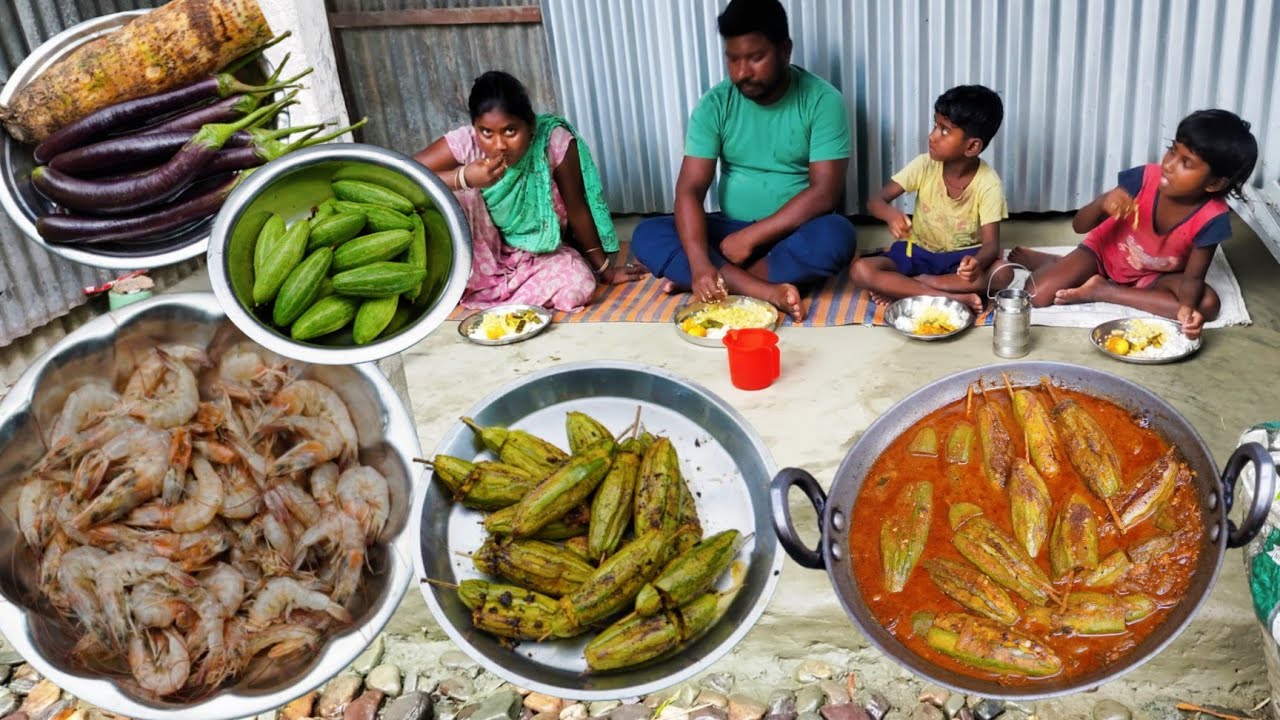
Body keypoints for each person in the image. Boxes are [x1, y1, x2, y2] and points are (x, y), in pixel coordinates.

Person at [630, 0, 858, 322]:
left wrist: (750, 238)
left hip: (790, 233)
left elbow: (825, 193)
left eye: (755, 58)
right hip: (728, 233)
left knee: (837, 235)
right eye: (733, 59)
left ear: (785, 50)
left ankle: (714, 282)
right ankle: (762, 289)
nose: (741, 73)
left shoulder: (822, 100)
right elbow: (690, 190)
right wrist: (700, 263)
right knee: (648, 233)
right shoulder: (715, 104)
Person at [1008, 109, 1257, 340]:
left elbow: (1193, 278)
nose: (1169, 165)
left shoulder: (1212, 218)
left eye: (1186, 163)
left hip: (1154, 275)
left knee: (1207, 305)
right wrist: (1103, 202)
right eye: (1172, 150)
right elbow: (1079, 226)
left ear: (1214, 184)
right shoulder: (1143, 178)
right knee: (1036, 295)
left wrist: (1186, 311)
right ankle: (1058, 263)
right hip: (1102, 256)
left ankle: (1103, 291)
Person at [414, 71, 645, 312]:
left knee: (580, 285)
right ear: (475, 129)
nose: (499, 145)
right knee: (454, 193)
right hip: (479, 260)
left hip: (536, 255)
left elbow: (577, 209)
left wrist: (605, 271)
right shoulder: (467, 143)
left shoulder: (553, 142)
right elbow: (404, 175)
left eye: (510, 131)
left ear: (531, 126)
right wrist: (463, 177)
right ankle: (468, 285)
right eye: (487, 133)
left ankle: (495, 296)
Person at [850, 85, 1007, 314]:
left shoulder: (988, 183)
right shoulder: (924, 165)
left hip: (960, 261)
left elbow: (991, 245)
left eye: (944, 131)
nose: (932, 136)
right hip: (917, 253)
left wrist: (977, 264)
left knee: (1003, 273)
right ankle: (948, 297)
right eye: (935, 125)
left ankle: (913, 286)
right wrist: (890, 215)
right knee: (860, 270)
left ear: (972, 146)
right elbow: (875, 201)